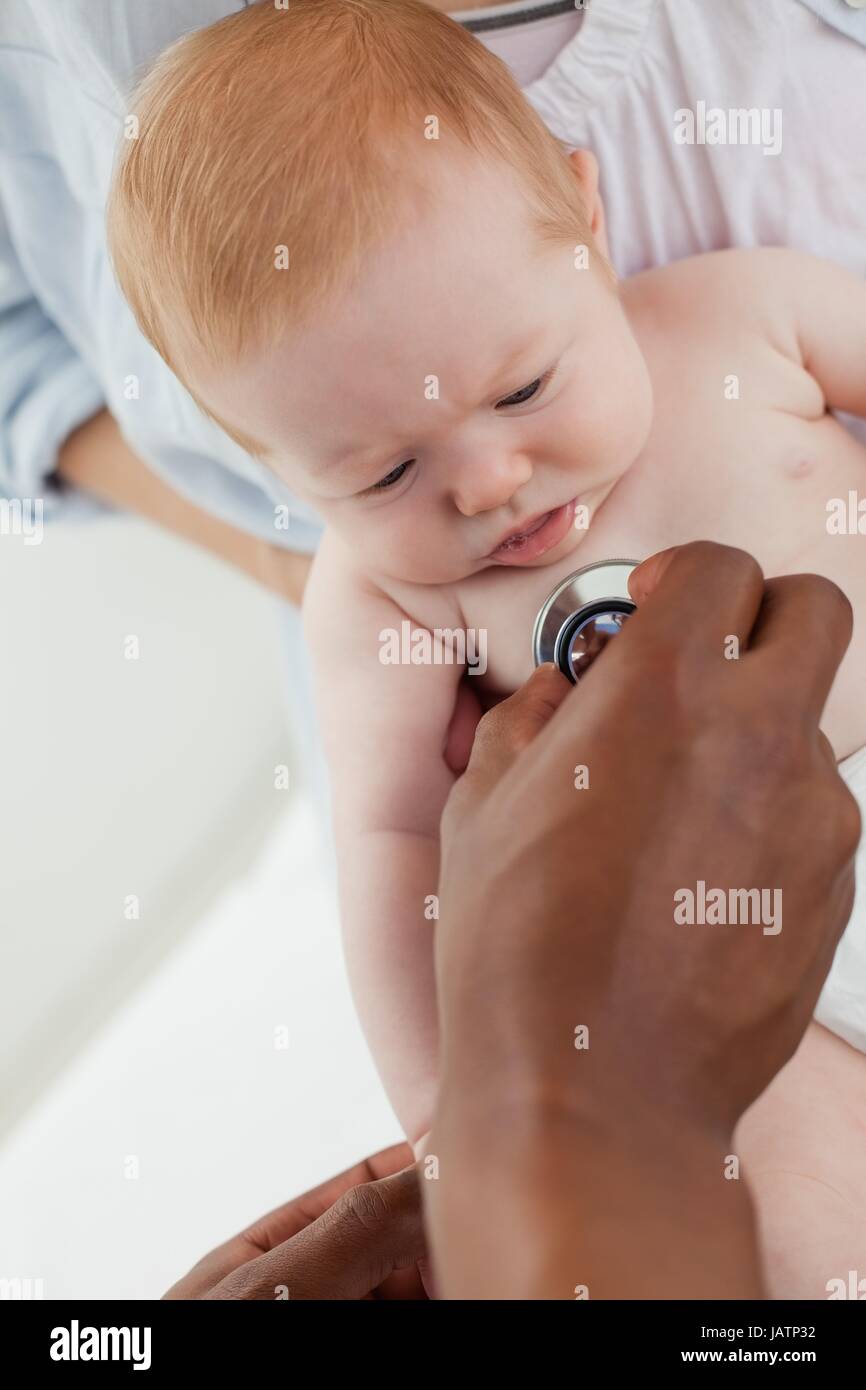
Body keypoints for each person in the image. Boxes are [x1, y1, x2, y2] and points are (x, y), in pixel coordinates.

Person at [167, 543, 860, 1299]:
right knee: (804, 1250)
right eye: (390, 475)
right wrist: (452, 1114)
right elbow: (392, 841)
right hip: (702, 973)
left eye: (517, 410)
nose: (488, 481)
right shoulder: (381, 586)